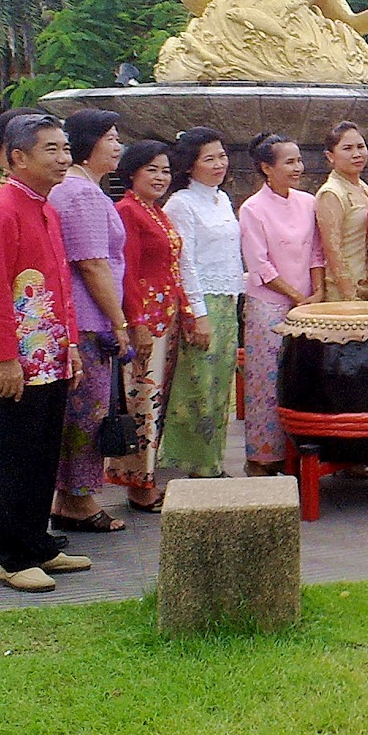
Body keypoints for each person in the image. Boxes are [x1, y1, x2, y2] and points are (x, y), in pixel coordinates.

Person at [0, 114, 91, 591]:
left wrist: (69, 345)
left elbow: (60, 284)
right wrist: (5, 358)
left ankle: (32, 541)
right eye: (51, 150)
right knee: (14, 453)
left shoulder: (43, 208)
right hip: (10, 359)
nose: (63, 158)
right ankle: (13, 557)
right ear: (18, 157)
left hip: (46, 355)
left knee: (39, 450)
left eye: (65, 148)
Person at [46, 109, 130, 533]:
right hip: (90, 320)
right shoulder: (83, 194)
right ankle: (78, 500)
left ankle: (69, 497)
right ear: (88, 143)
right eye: (110, 138)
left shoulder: (75, 189)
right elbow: (93, 263)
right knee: (88, 412)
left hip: (81, 317)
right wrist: (119, 322)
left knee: (78, 411)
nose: (118, 146)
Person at [238, 133, 324, 476]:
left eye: (299, 160)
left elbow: (316, 251)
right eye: (289, 162)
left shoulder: (308, 202)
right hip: (269, 305)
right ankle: (262, 456)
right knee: (266, 379)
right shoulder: (252, 209)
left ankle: (305, 450)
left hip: (309, 304)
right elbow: (259, 265)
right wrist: (297, 297)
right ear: (266, 168)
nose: (298, 167)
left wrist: (317, 292)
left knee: (306, 377)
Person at [111, 140, 191, 509]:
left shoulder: (157, 212)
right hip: (145, 322)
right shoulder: (127, 211)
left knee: (156, 402)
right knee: (142, 402)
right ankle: (139, 484)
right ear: (132, 172)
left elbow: (172, 268)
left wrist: (185, 311)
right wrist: (136, 324)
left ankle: (147, 477)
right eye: (152, 170)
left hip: (167, 319)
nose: (160, 177)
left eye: (166, 171)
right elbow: (125, 272)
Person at [161, 128, 243, 480]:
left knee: (220, 384)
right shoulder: (181, 203)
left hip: (227, 301)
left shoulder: (221, 199)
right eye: (209, 159)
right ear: (189, 165)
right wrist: (198, 314)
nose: (219, 164)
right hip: (202, 303)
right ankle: (196, 464)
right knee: (198, 383)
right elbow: (185, 263)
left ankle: (214, 460)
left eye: (222, 156)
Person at [315, 122, 368, 303]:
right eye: (348, 148)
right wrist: (349, 292)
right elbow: (331, 248)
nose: (357, 154)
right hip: (345, 290)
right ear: (330, 156)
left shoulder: (364, 188)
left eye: (361, 147)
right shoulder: (331, 193)